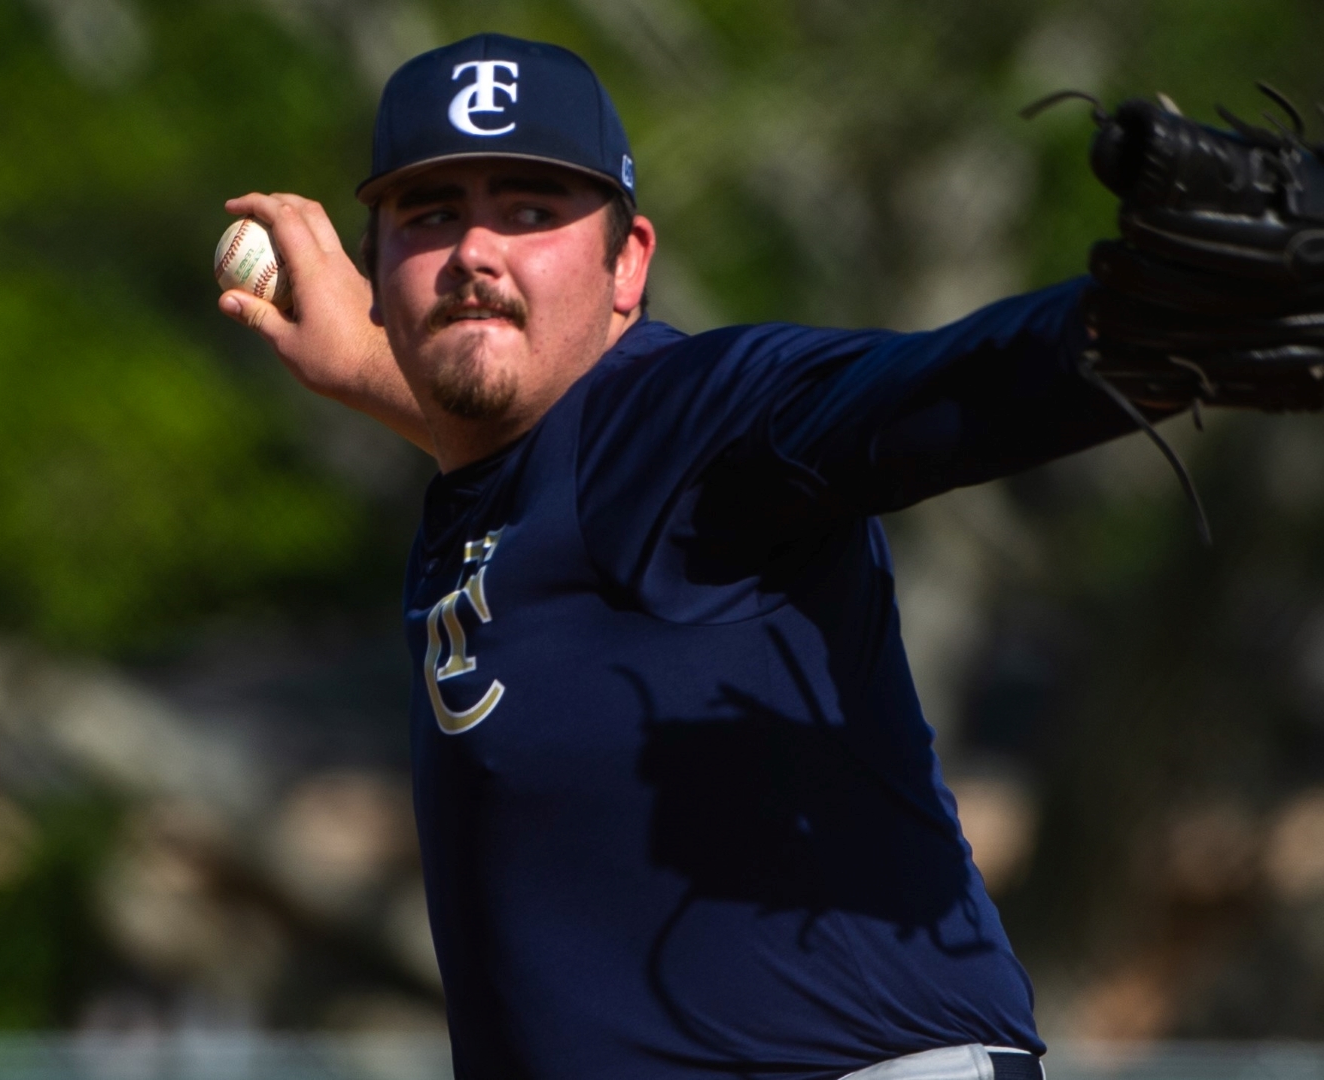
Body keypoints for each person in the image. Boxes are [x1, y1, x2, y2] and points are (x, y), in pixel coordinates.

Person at [219, 33, 1148, 1080]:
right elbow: (503, 436)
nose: (476, 250)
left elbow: (922, 390)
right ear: (377, 272)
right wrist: (369, 363)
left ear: (629, 264)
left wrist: (1137, 327)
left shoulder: (683, 421)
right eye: (431, 215)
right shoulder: (509, 480)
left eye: (529, 211)